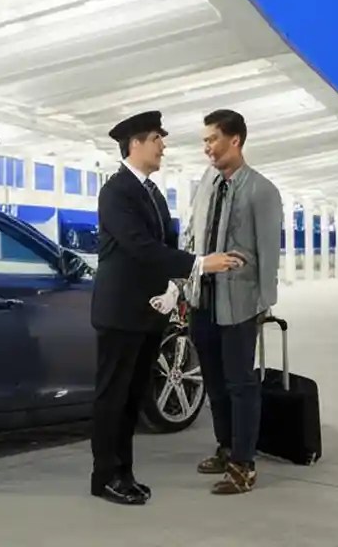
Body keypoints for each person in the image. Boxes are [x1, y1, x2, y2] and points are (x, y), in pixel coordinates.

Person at [89, 110, 234, 506]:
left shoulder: (151, 192)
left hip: (150, 312)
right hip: (120, 313)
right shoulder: (116, 191)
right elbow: (140, 246)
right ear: (135, 144)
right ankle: (105, 476)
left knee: (133, 398)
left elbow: (164, 247)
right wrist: (199, 264)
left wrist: (173, 287)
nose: (163, 146)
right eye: (156, 138)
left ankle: (124, 473)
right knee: (113, 398)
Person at [183, 108, 282, 495]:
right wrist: (185, 286)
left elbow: (268, 254)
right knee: (214, 381)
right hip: (203, 300)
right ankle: (225, 448)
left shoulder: (261, 190)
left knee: (241, 383)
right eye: (205, 140)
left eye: (212, 139)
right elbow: (191, 236)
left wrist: (263, 303)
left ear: (235, 140)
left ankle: (244, 464)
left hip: (239, 303)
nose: (206, 147)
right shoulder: (206, 184)